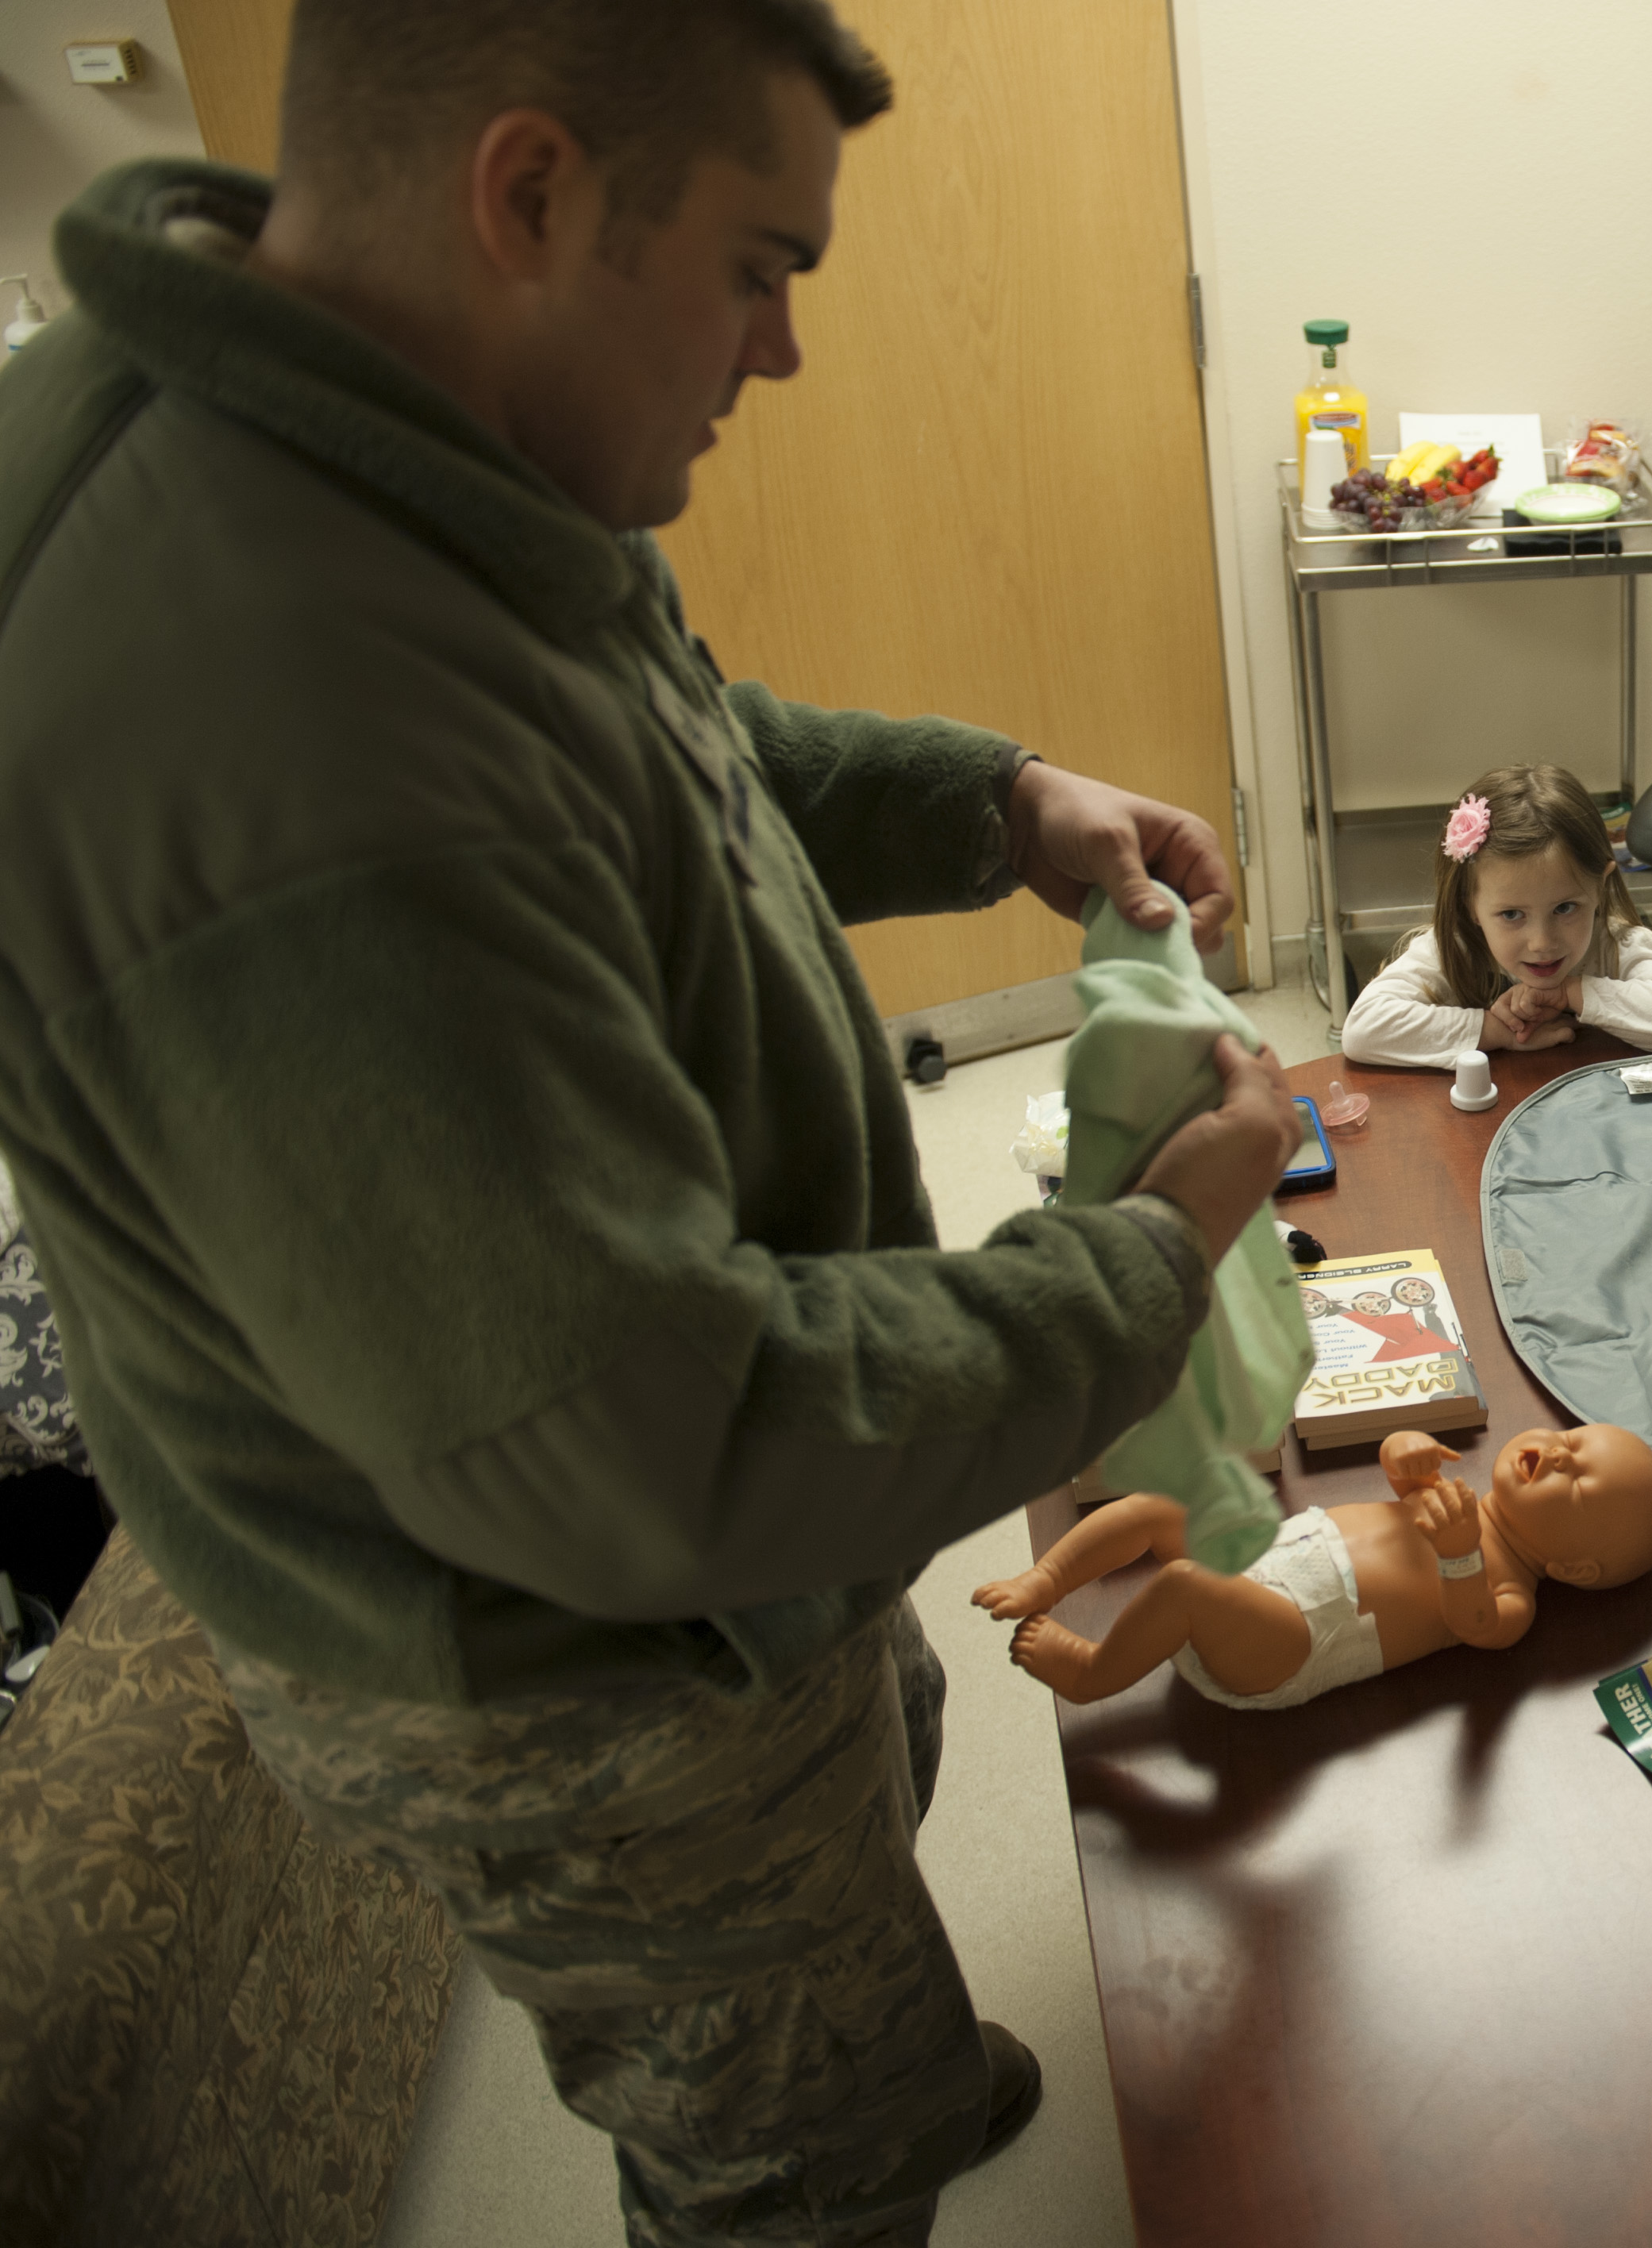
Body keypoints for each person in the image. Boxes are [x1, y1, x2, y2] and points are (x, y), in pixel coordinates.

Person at [0, 2, 1300, 2238]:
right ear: (529, 193)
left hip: (697, 1568)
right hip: (584, 1661)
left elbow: (649, 735)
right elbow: (669, 1451)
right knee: (783, 2153)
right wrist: (1151, 1257)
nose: (781, 350)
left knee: (868, 1768)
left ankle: (862, 2023)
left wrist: (986, 800)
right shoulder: (289, 746)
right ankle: (832, 2116)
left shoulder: (381, 426)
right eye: (758, 267)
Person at [975, 1423, 1652, 1708]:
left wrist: (1461, 1553)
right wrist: (1403, 1450)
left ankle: (1093, 1674)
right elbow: (1403, 1482)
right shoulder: (1452, 1499)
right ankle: (1046, 1579)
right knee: (1161, 1505)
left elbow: (1478, 1625)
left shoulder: (1513, 1592)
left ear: (1576, 1569)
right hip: (1257, 1566)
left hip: (1284, 1645)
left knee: (1185, 1584)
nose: (1556, 1453)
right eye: (1571, 1440)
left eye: (1577, 1481)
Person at [1340, 761, 1652, 1068]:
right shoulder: (1454, 948)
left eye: (1565, 908)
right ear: (1470, 906)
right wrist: (1497, 1031)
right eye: (1512, 914)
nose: (1542, 943)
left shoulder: (1618, 945)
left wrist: (1571, 992)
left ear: (1599, 888)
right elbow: (1364, 1029)